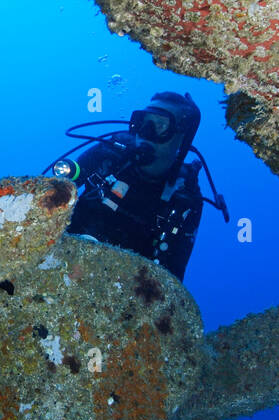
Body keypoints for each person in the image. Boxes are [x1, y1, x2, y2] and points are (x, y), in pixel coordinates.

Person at [46, 92, 228, 280]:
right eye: (143, 122)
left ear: (181, 138)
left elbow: (172, 277)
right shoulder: (109, 153)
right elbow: (49, 199)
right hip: (59, 256)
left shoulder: (185, 199)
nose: (146, 132)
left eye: (160, 125)